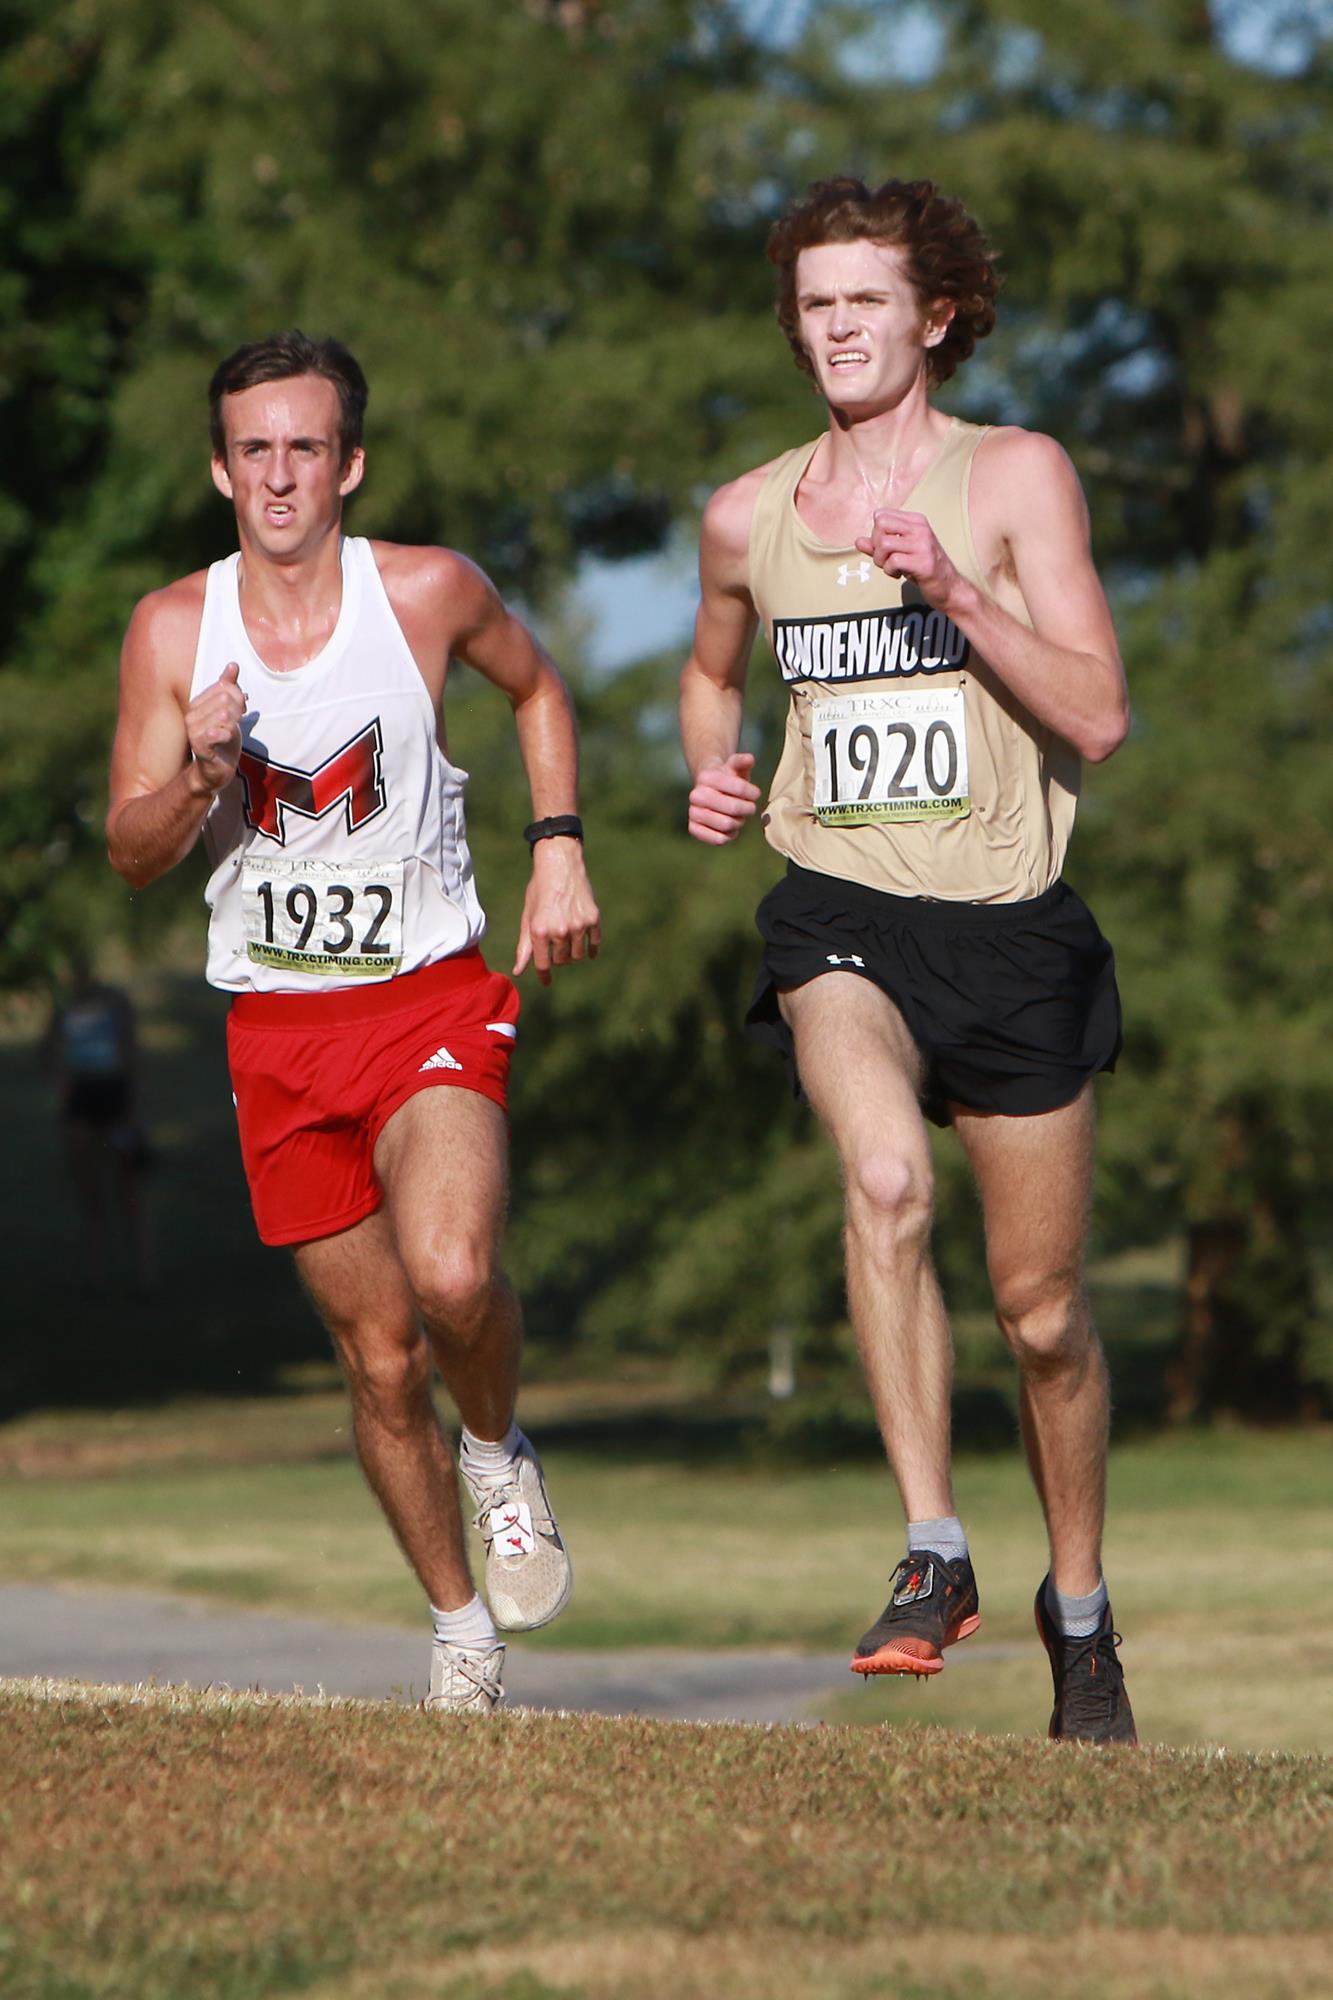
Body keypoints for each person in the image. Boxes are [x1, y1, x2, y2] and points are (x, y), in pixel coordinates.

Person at [680, 178, 1136, 1745]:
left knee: (1041, 1315)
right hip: (839, 909)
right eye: (814, 305)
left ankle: (1079, 1614)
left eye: (866, 301)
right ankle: (932, 1545)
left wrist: (948, 589)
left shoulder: (1012, 476)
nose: (838, 329)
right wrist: (711, 765)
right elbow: (709, 669)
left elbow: (1098, 714)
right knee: (883, 1182)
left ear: (935, 316)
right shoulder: (747, 515)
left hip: (1010, 925)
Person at [107, 331, 600, 1715]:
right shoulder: (171, 630)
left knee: (453, 1274)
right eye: (253, 449)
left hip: (427, 1000)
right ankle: (460, 1632)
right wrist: (200, 772)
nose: (279, 475)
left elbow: (538, 688)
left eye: (305, 448)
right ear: (221, 470)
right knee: (380, 1360)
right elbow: (132, 850)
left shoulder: (428, 592)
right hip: (278, 1031)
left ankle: (495, 1453)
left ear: (350, 465)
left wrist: (558, 843)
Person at [46, 955, 157, 1296]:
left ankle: (144, 1276)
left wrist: (133, 1108)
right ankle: (95, 1276)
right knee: (90, 1192)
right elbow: (47, 1048)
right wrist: (61, 1082)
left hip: (114, 1096)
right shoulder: (65, 1006)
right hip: (82, 1098)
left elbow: (131, 1051)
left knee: (128, 1191)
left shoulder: (115, 1002)